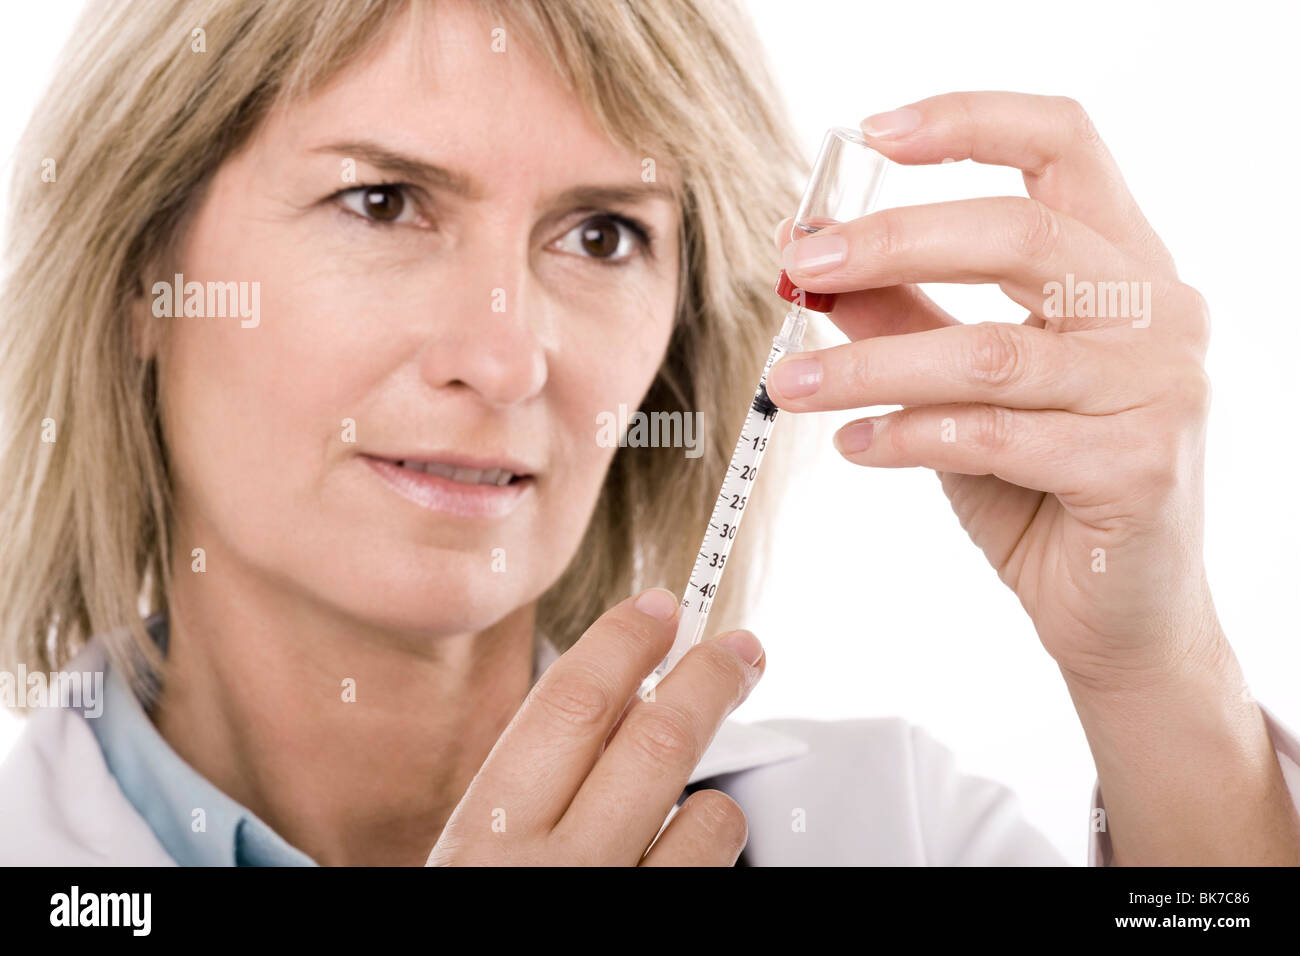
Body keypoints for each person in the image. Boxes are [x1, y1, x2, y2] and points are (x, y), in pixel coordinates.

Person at [1, 0, 1297, 866]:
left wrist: (1154, 670)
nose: (506, 359)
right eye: (382, 202)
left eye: (602, 235)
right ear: (140, 279)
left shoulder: (890, 834)